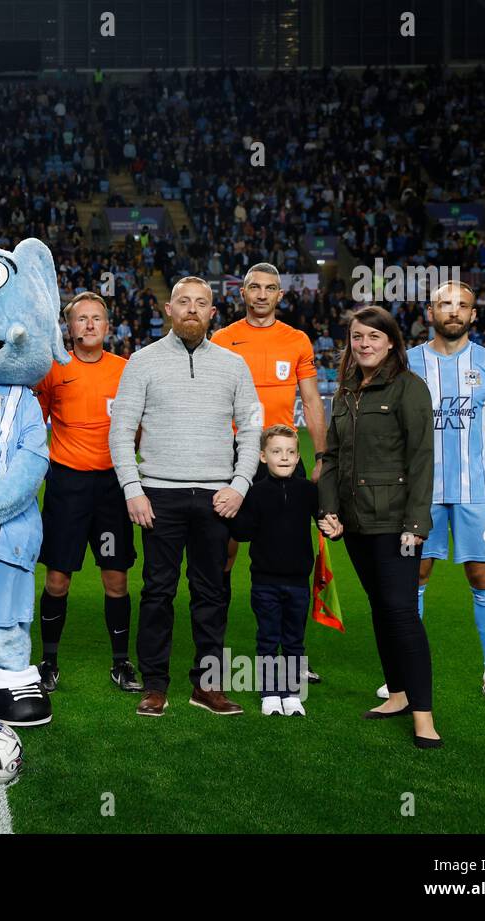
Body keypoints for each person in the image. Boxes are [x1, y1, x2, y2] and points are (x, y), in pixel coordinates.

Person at [109, 277, 262, 718]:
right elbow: (120, 431)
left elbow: (252, 429)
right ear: (168, 310)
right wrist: (132, 489)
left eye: (201, 303)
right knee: (157, 591)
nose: (192, 309)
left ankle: (207, 685)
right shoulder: (142, 362)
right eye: (183, 302)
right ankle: (155, 684)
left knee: (211, 592)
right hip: (158, 495)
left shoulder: (234, 365)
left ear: (213, 313)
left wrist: (240, 485)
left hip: (217, 496)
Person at [317, 305, 442, 749]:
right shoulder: (345, 391)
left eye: (373, 336)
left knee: (402, 612)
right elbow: (331, 458)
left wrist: (416, 523)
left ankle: (423, 717)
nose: (364, 344)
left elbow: (422, 459)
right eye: (356, 337)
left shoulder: (410, 388)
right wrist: (328, 509)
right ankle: (398, 694)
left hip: (396, 524)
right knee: (381, 608)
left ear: (391, 342)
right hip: (355, 522)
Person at [391, 281, 485, 706]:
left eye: (462, 305)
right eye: (445, 304)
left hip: (475, 492)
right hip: (419, 495)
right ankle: (407, 677)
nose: (454, 312)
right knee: (415, 577)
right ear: (430, 312)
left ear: (473, 315)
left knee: (483, 576)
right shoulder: (405, 364)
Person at [212, 262, 328, 683]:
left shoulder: (296, 340)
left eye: (270, 288)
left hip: (282, 460)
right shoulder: (223, 339)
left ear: (281, 295)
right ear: (242, 293)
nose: (262, 294)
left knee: (292, 550)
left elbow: (312, 402)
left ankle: (295, 654)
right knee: (225, 551)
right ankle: (215, 646)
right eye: (254, 287)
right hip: (231, 457)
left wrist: (321, 455)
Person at [33, 292, 141, 694]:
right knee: (58, 578)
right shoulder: (54, 370)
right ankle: (48, 662)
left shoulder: (126, 370)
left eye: (97, 318)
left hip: (112, 489)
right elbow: (35, 424)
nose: (90, 325)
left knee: (115, 578)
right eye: (82, 319)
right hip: (67, 488)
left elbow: (137, 427)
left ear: (108, 326)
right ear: (70, 327)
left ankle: (121, 662)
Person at [229, 425, 341, 716]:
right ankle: (269, 693)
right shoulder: (255, 493)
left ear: (297, 455)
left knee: (294, 639)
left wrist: (334, 528)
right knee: (268, 638)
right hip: (264, 582)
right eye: (277, 451)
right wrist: (229, 508)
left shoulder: (307, 491)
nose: (285, 457)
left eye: (291, 452)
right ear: (263, 457)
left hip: (298, 584)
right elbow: (242, 533)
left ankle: (291, 693)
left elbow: (325, 521)